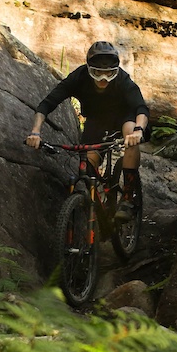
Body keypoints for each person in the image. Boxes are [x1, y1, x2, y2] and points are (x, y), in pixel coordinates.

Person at [26, 41, 149, 221]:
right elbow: (47, 104)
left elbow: (141, 108)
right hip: (97, 120)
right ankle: (96, 204)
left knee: (130, 135)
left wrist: (138, 131)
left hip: (124, 118)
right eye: (97, 73)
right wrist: (35, 132)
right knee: (87, 164)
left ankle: (128, 198)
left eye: (109, 74)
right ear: (89, 68)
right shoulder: (79, 77)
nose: (103, 79)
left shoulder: (122, 80)